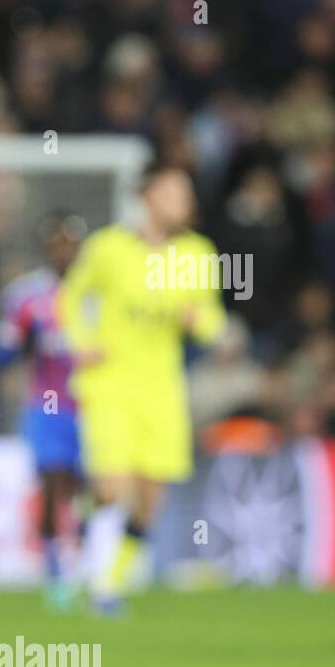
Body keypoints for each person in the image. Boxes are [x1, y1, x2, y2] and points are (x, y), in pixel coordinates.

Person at [57, 165, 225, 613]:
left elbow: (213, 321)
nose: (183, 202)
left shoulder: (199, 254)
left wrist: (199, 322)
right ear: (147, 196)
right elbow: (70, 297)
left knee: (149, 502)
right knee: (114, 488)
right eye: (174, 191)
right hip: (109, 383)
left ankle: (103, 577)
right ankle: (99, 585)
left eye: (187, 194)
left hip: (163, 391)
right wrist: (82, 342)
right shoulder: (108, 247)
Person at [0, 212, 87, 609]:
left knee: (87, 490)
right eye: (58, 243)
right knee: (52, 483)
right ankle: (54, 575)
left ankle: (83, 565)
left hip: (94, 405)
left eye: (71, 243)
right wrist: (23, 340)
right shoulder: (26, 296)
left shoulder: (98, 294)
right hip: (47, 406)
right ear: (47, 247)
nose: (65, 251)